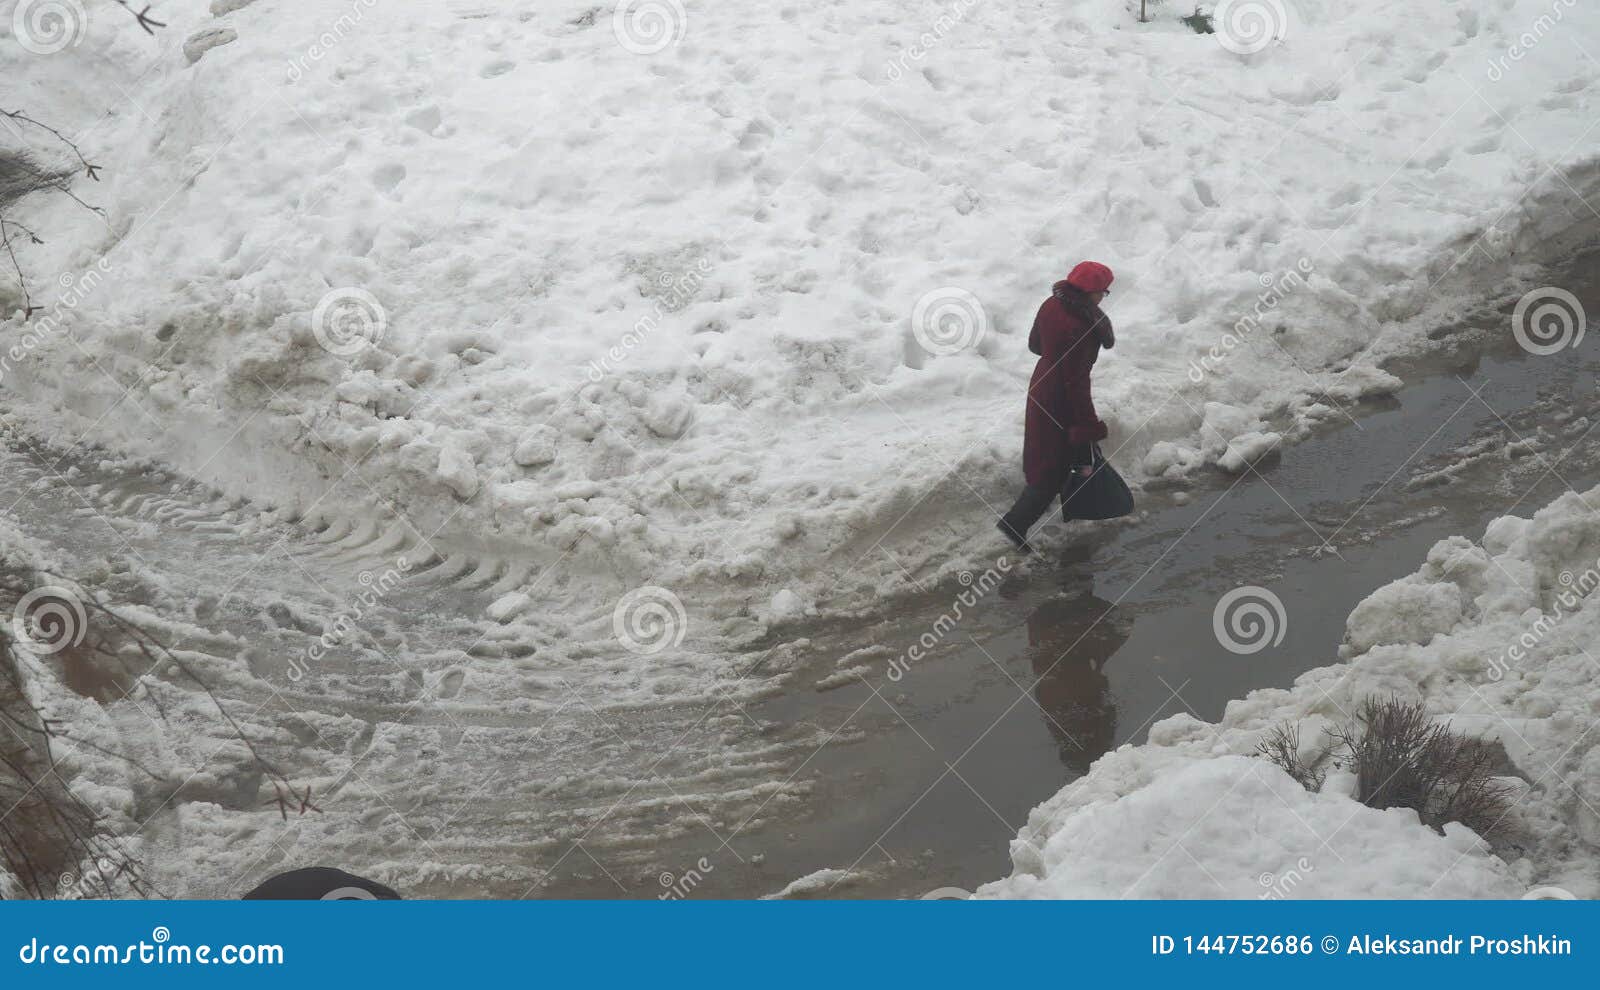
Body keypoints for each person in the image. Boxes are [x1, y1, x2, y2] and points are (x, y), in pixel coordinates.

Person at [997, 261, 1116, 552]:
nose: (1104, 296)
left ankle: (1067, 512)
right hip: (1061, 399)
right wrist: (1088, 426)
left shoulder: (1052, 304)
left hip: (1042, 385)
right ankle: (1015, 523)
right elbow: (1076, 384)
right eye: (1103, 291)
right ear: (1089, 291)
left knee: (1047, 455)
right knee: (1052, 466)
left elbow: (1036, 345)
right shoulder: (1081, 326)